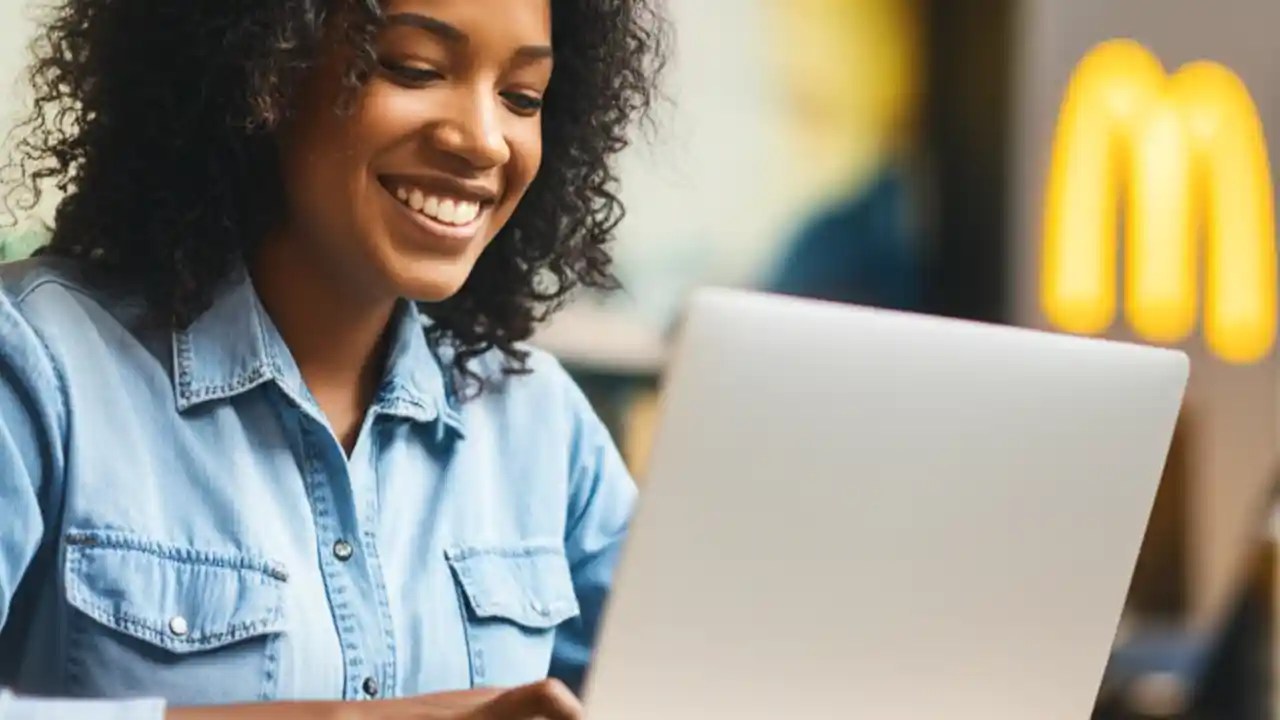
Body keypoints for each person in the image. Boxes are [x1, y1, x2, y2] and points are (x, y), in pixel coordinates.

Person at [0, 0, 665, 718]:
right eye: (415, 69)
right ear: (263, 73)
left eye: (522, 98)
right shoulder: (37, 364)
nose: (483, 141)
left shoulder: (541, 426)